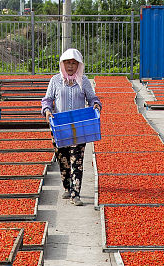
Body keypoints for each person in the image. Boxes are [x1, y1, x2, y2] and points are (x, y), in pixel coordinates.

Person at [41, 47, 101, 207]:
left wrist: (96, 105)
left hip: (79, 127)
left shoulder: (84, 81)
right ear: (62, 64)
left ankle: (76, 194)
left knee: (77, 160)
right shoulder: (55, 81)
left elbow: (93, 98)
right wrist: (47, 111)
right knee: (63, 159)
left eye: (74, 63)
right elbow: (47, 100)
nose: (70, 66)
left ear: (78, 65)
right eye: (67, 63)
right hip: (60, 127)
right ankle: (67, 187)